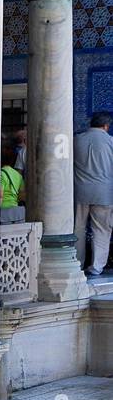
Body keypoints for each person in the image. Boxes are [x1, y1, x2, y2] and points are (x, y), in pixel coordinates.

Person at [75, 112, 113, 277]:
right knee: (102, 229)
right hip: (105, 193)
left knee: (78, 228)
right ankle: (96, 267)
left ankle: (77, 263)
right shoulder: (111, 142)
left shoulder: (76, 140)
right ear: (106, 126)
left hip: (79, 192)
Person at [0, 141, 26, 224]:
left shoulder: (0, 174)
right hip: (16, 214)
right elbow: (22, 196)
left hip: (2, 212)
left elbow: (0, 196)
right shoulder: (18, 176)